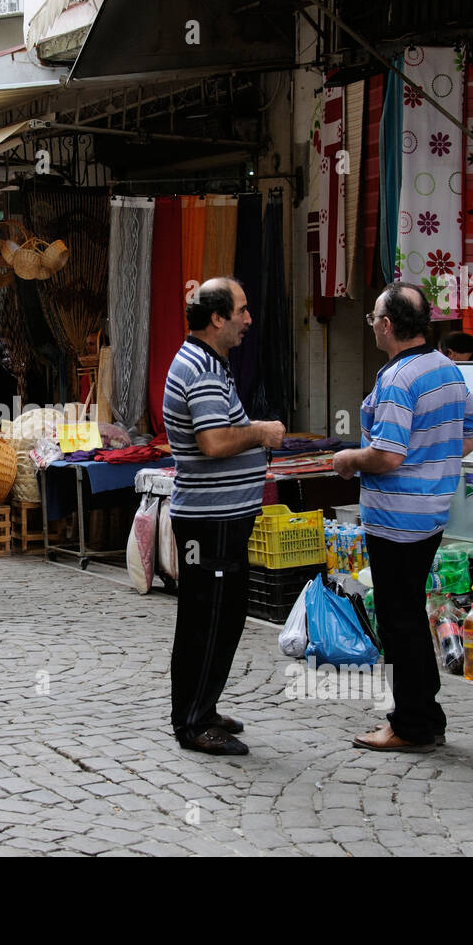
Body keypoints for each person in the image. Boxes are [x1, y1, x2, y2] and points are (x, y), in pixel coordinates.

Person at [333, 283, 473, 752]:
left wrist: (348, 459)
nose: (372, 327)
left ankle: (411, 724)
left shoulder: (398, 379)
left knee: (400, 620)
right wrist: (436, 460)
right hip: (431, 512)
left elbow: (386, 456)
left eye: (373, 319)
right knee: (408, 614)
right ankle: (424, 716)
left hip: (396, 516)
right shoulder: (445, 368)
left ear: (386, 325)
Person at [162, 277, 286, 756]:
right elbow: (213, 442)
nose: (249, 319)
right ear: (217, 317)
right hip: (209, 522)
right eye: (242, 309)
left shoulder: (208, 362)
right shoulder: (201, 367)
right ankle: (192, 723)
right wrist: (260, 433)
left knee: (223, 615)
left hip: (220, 518)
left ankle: (203, 707)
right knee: (206, 619)